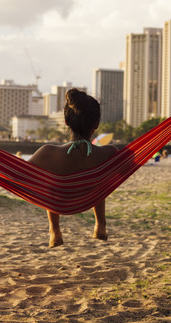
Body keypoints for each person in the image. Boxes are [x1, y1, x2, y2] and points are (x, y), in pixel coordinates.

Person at [28, 88, 118, 248]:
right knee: (99, 177)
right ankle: (101, 224)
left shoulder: (48, 153)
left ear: (66, 122)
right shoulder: (110, 153)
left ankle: (54, 230)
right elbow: (128, 164)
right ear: (96, 124)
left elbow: (19, 173)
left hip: (60, 201)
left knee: (49, 180)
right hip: (91, 195)